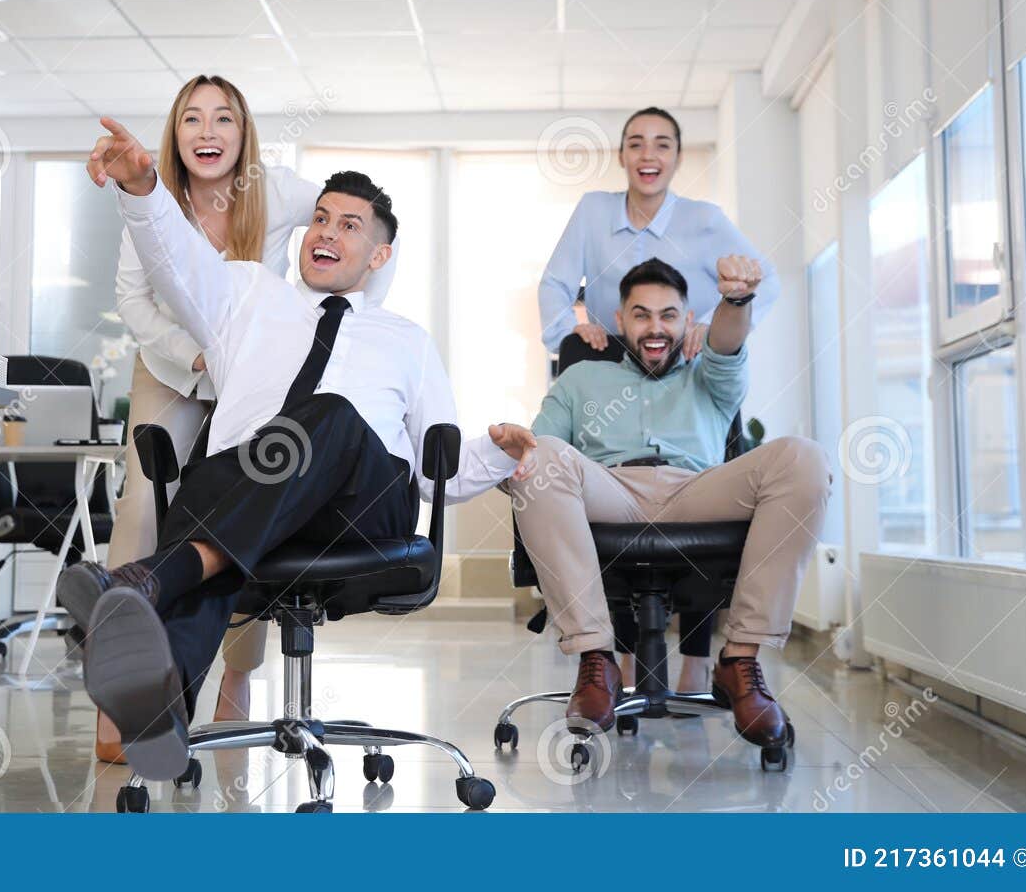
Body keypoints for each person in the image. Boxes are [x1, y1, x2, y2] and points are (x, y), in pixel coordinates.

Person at [58, 120, 538, 779]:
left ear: (378, 256)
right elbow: (173, 259)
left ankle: (152, 576)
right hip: (249, 495)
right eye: (319, 218)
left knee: (331, 417)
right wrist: (142, 186)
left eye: (348, 225)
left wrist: (495, 449)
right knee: (216, 485)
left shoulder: (406, 339)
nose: (326, 233)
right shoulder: (248, 293)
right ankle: (160, 710)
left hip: (363, 509)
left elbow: (438, 473)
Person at [100, 75, 395, 763]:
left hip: (260, 369)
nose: (208, 133)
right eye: (193, 120)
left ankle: (237, 676)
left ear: (244, 135)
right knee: (143, 498)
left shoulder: (280, 190)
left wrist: (351, 319)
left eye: (223, 120)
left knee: (255, 498)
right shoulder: (151, 199)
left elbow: (351, 224)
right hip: (176, 366)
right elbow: (134, 303)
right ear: (175, 134)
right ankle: (124, 702)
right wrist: (196, 353)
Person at [512, 256, 830, 746]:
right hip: (609, 490)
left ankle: (740, 661)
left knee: (803, 458)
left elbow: (727, 342)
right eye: (641, 315)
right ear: (620, 321)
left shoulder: (709, 374)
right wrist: (513, 451)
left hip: (695, 491)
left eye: (668, 315)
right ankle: (596, 661)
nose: (655, 327)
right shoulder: (581, 381)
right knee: (542, 456)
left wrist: (736, 298)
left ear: (688, 322)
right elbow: (536, 454)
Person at [537, 105, 778, 693]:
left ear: (676, 157)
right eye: (637, 144)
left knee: (699, 473)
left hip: (696, 365)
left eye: (663, 144)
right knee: (606, 474)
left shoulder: (703, 219)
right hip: (609, 364)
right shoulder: (594, 212)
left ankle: (703, 664)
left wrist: (716, 325)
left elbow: (760, 282)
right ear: (621, 155)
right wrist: (573, 335)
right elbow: (554, 284)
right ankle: (605, 661)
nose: (649, 156)